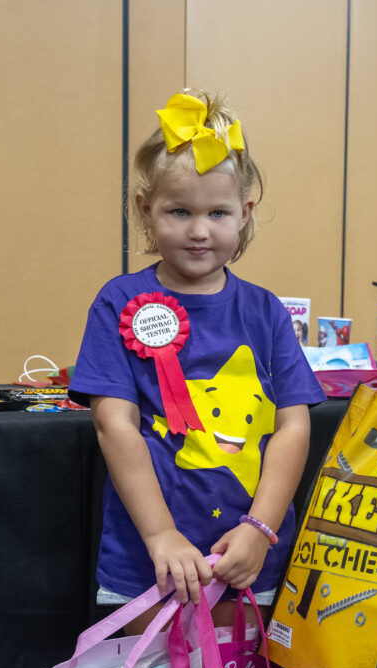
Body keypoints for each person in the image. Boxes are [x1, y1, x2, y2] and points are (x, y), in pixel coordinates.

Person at [71, 91, 324, 631]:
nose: (200, 230)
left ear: (244, 215)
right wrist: (162, 535)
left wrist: (260, 528)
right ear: (145, 209)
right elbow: (114, 423)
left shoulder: (266, 311)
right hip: (150, 563)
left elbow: (293, 426)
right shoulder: (118, 301)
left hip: (248, 560)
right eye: (179, 211)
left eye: (218, 213)